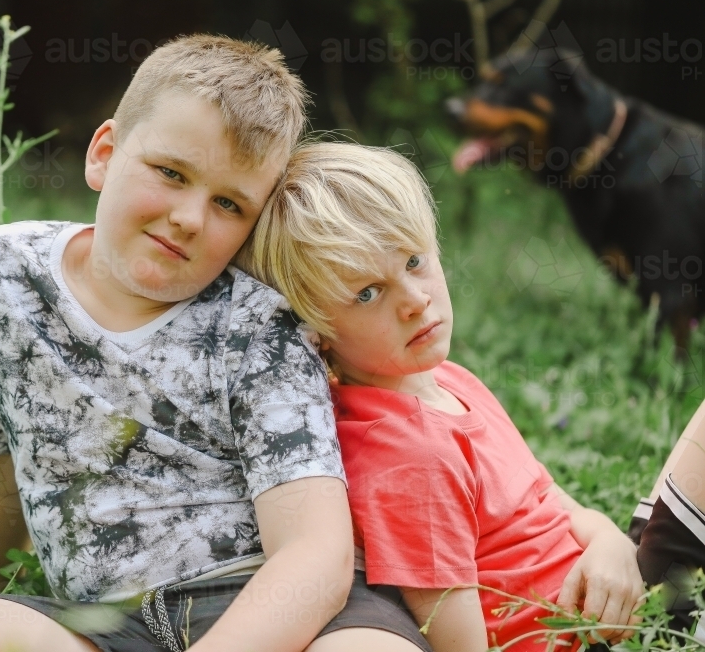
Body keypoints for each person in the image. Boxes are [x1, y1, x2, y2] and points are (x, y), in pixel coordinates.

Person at [0, 38, 432, 652]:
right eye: (172, 174)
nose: (190, 218)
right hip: (108, 625)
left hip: (271, 609)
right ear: (104, 153)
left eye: (229, 203)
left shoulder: (259, 322)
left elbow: (313, 556)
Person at [237, 141, 705, 652]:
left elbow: (551, 500)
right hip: (604, 637)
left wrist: (609, 541)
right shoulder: (409, 454)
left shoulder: (450, 381)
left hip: (615, 581)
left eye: (414, 262)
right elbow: (457, 637)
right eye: (367, 293)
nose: (415, 302)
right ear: (318, 330)